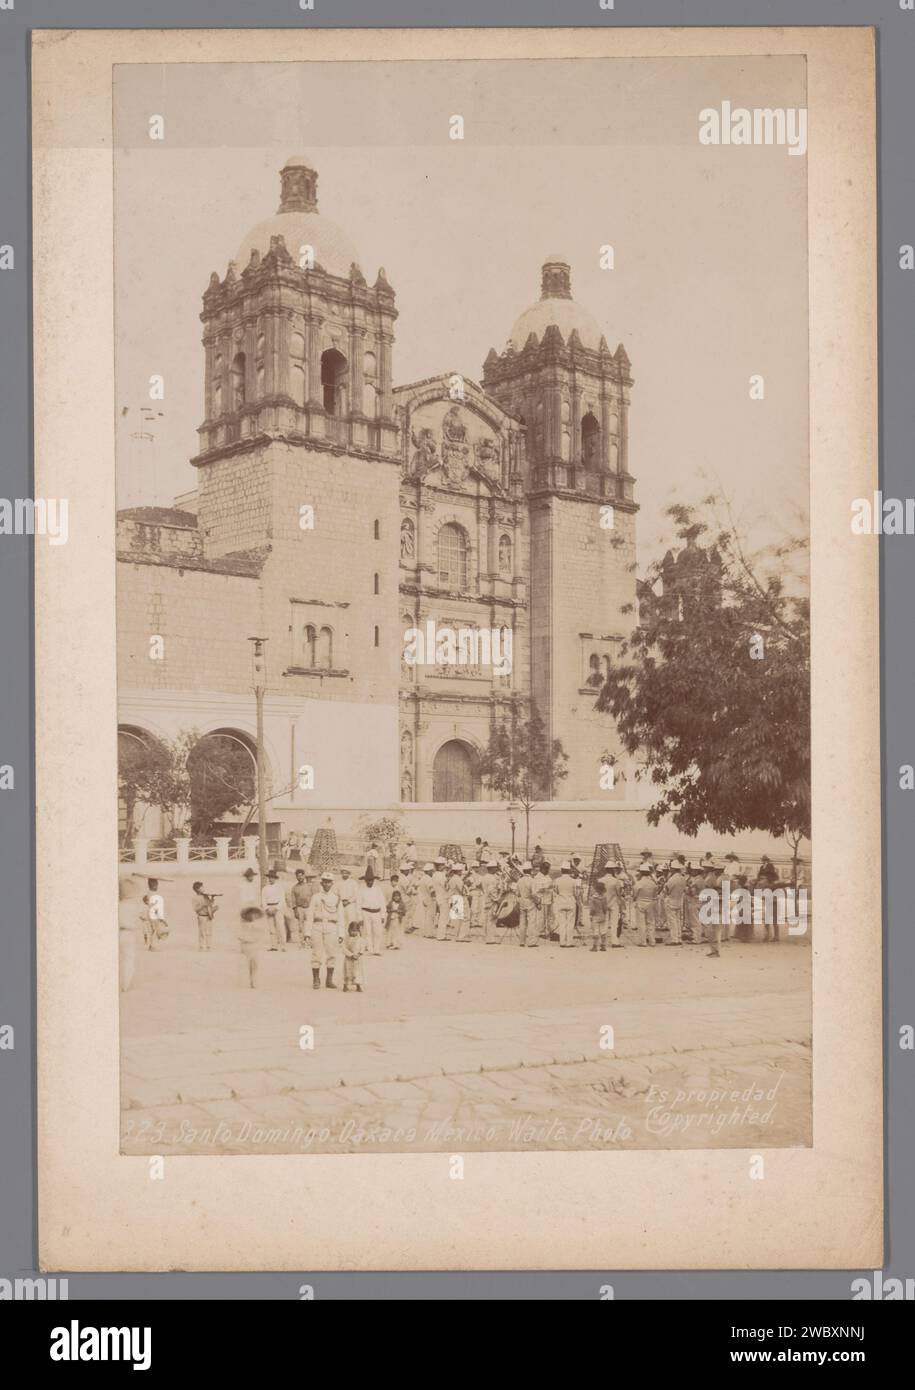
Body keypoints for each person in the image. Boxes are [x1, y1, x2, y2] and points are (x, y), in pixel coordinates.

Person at [305, 872, 345, 989]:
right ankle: (316, 979)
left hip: (332, 927)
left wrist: (341, 933)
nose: (327, 884)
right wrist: (307, 932)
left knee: (331, 953)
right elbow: (310, 916)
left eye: (329, 882)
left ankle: (329, 980)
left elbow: (341, 917)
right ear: (321, 883)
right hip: (317, 926)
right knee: (316, 954)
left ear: (332, 883)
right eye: (325, 882)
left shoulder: (336, 899)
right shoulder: (316, 897)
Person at [118, 876, 144, 992]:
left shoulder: (118, 905)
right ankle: (125, 985)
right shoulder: (134, 905)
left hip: (117, 932)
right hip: (129, 933)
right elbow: (144, 916)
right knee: (128, 959)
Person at [357, 867, 387, 956]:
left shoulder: (378, 889)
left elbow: (382, 902)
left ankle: (376, 949)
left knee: (377, 932)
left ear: (374, 880)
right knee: (367, 932)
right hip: (365, 912)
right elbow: (358, 904)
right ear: (365, 880)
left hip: (376, 913)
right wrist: (359, 917)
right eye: (368, 880)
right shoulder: (361, 889)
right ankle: (370, 949)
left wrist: (383, 915)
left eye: (371, 880)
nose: (370, 882)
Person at [238, 905, 266, 988]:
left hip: (254, 946)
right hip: (246, 946)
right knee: (246, 963)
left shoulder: (257, 925)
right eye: (250, 914)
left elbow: (260, 935)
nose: (252, 916)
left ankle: (253, 980)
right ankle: (248, 980)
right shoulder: (243, 925)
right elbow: (239, 935)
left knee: (254, 964)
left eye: (254, 914)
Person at [631, 865, 658, 947]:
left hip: (640, 903)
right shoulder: (653, 883)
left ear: (641, 873)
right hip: (651, 903)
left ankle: (643, 942)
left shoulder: (638, 883)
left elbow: (634, 896)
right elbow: (655, 895)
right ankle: (652, 941)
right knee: (651, 922)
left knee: (641, 923)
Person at [288, 867, 315, 947]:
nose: (300, 877)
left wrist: (313, 909)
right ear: (296, 877)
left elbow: (314, 897)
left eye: (301, 876)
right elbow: (293, 900)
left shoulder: (309, 886)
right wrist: (295, 910)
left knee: (310, 925)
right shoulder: (294, 888)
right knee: (300, 926)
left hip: (309, 908)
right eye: (298, 876)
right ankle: (302, 942)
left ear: (304, 876)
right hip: (299, 908)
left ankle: (311, 942)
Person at [554, 862, 578, 947]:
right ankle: (569, 942)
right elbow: (575, 893)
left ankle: (562, 942)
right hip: (570, 902)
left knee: (562, 923)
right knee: (570, 923)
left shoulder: (557, 880)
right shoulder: (573, 881)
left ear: (561, 870)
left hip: (561, 902)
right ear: (569, 870)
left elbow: (556, 891)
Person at [261, 868, 286, 951]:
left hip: (277, 908)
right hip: (268, 908)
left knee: (280, 927)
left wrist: (276, 908)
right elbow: (263, 899)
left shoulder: (279, 887)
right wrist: (267, 908)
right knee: (271, 928)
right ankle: (273, 946)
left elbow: (282, 899)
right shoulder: (265, 888)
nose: (271, 879)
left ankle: (283, 946)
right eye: (270, 877)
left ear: (275, 878)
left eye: (272, 877)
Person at [663, 861, 686, 945]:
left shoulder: (672, 879)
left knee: (672, 921)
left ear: (673, 869)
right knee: (678, 920)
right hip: (679, 900)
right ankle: (679, 938)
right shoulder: (683, 878)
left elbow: (666, 889)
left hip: (671, 900)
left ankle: (674, 939)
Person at [601, 865, 624, 947]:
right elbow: (619, 894)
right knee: (614, 923)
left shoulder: (601, 880)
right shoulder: (616, 881)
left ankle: (602, 942)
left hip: (603, 903)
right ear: (612, 870)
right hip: (614, 903)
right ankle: (615, 942)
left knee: (604, 923)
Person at [192, 880, 218, 951]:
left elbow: (210, 904)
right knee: (202, 932)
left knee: (209, 932)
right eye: (202, 887)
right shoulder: (195, 898)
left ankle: (208, 946)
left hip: (208, 916)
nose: (203, 888)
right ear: (197, 889)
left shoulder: (206, 896)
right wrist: (203, 905)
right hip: (201, 916)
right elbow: (196, 909)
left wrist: (212, 898)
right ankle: (201, 947)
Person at [516, 861, 537, 947]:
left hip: (522, 902)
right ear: (530, 870)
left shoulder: (519, 881)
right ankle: (531, 942)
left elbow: (517, 893)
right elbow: (534, 894)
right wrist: (538, 902)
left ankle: (522, 941)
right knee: (531, 922)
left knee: (522, 923)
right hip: (530, 902)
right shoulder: (532, 881)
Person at [533, 859, 554, 942]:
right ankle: (540, 932)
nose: (548, 870)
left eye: (548, 869)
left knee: (551, 916)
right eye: (546, 869)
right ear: (542, 869)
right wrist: (547, 887)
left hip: (549, 899)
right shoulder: (537, 877)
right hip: (542, 899)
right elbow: (537, 890)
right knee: (541, 917)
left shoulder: (547, 876)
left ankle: (550, 930)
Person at [483, 860, 503, 944]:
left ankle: (487, 937)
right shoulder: (492, 878)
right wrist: (497, 899)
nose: (496, 869)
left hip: (486, 899)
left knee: (487, 919)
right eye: (495, 868)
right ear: (492, 869)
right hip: (492, 900)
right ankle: (490, 939)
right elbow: (491, 890)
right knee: (492, 920)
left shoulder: (485, 877)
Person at [343, 921, 365, 992]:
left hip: (357, 959)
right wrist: (351, 955)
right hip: (348, 959)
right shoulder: (346, 939)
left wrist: (358, 954)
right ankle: (345, 985)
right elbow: (344, 948)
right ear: (349, 930)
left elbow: (362, 948)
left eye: (356, 931)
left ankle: (358, 986)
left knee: (357, 972)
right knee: (347, 972)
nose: (354, 932)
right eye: (352, 931)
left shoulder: (360, 939)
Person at [588, 878, 608, 951]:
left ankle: (595, 946)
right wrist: (605, 914)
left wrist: (590, 915)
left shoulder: (593, 898)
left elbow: (592, 909)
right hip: (602, 916)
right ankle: (603, 945)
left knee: (595, 931)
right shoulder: (604, 897)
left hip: (595, 916)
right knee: (603, 931)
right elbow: (605, 908)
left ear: (596, 889)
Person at [432, 858, 449, 939]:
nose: (444, 867)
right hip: (443, 897)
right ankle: (441, 936)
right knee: (443, 917)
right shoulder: (440, 875)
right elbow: (446, 886)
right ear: (439, 866)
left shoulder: (435, 874)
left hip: (439, 897)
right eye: (442, 865)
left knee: (442, 916)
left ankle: (441, 935)